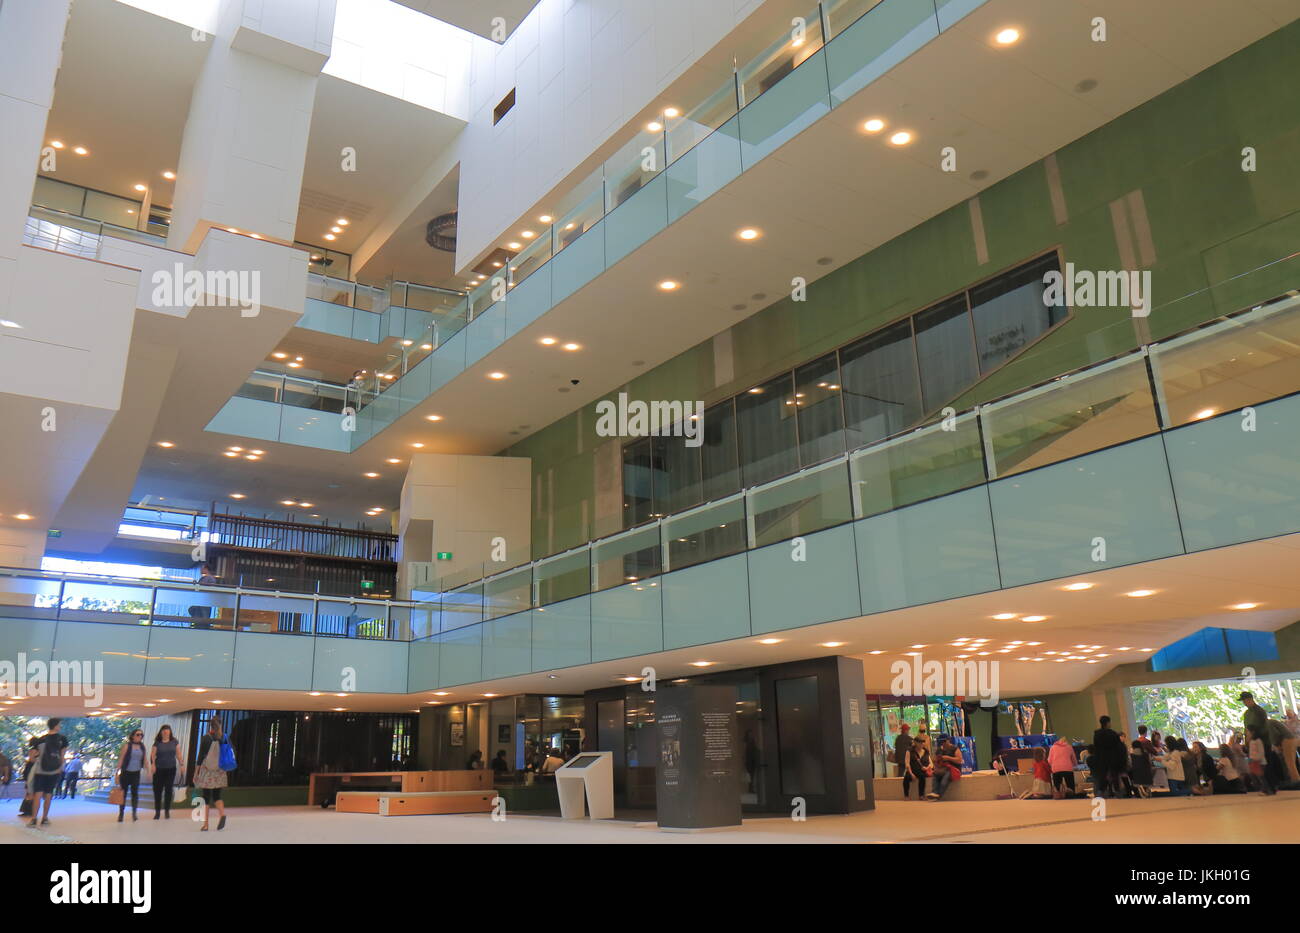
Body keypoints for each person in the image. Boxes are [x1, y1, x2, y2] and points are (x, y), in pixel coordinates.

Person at [27, 718, 68, 827]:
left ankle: (33, 819)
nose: (60, 726)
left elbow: (31, 758)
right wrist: (60, 768)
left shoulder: (41, 739)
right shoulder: (62, 739)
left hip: (40, 771)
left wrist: (38, 761)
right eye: (59, 724)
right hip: (54, 771)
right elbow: (62, 757)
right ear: (55, 726)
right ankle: (44, 818)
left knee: (38, 795)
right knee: (49, 794)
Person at [193, 718, 230, 831]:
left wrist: (196, 772)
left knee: (206, 797)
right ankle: (222, 814)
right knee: (217, 796)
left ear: (210, 726)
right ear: (220, 725)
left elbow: (200, 756)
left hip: (207, 770)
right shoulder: (224, 737)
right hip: (219, 771)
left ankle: (206, 825)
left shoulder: (206, 738)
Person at [116, 728, 149, 822]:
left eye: (141, 735)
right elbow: (121, 759)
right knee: (123, 794)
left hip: (136, 773)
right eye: (138, 734)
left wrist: (148, 771)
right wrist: (117, 772)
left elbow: (145, 759)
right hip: (126, 772)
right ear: (133, 736)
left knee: (135, 793)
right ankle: (121, 813)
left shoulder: (142, 746)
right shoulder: (127, 746)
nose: (140, 737)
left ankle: (134, 813)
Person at [150, 725, 184, 819]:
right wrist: (152, 765)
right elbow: (152, 755)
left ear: (170, 732)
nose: (165, 732)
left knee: (168, 789)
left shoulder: (174, 742)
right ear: (161, 732)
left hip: (171, 768)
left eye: (167, 731)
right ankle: (157, 812)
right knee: (158, 790)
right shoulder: (157, 743)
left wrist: (181, 765)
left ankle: (167, 811)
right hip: (159, 769)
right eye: (164, 731)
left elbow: (178, 754)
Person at [1090, 715, 1126, 798]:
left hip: (1101, 758)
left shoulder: (1097, 734)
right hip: (1112, 758)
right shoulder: (1112, 734)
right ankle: (1117, 792)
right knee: (1114, 775)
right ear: (1107, 723)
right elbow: (1118, 747)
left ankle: (1101, 791)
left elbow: (1096, 747)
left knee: (1103, 775)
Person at [1245, 724, 1276, 795]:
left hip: (1260, 762)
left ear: (1252, 732)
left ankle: (1267, 790)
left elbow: (1261, 752)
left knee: (1261, 777)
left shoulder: (1258, 741)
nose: (1247, 733)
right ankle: (1263, 789)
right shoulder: (1251, 742)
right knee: (1256, 776)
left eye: (1248, 731)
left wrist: (1256, 759)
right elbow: (1251, 752)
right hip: (1253, 761)